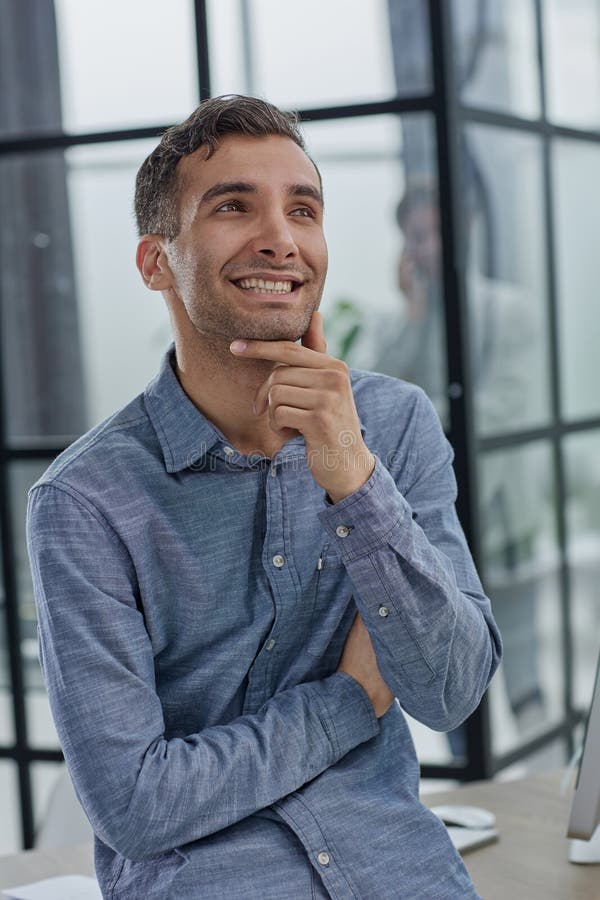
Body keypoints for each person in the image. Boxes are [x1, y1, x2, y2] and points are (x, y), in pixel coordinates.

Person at [27, 96, 501, 900]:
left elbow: (450, 693)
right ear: (155, 263)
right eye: (233, 206)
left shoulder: (393, 425)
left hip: (404, 877)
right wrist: (349, 701)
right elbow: (136, 805)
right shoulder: (86, 501)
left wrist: (354, 476)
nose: (280, 237)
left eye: (303, 209)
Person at [374, 181, 544, 754]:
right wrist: (414, 315)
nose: (424, 246)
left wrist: (419, 425)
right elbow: (372, 411)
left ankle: (550, 803)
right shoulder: (405, 322)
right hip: (438, 532)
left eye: (432, 232)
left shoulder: (509, 310)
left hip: (503, 523)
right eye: (414, 236)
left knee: (525, 677)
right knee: (450, 677)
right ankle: (483, 806)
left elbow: (496, 411)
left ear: (465, 229)